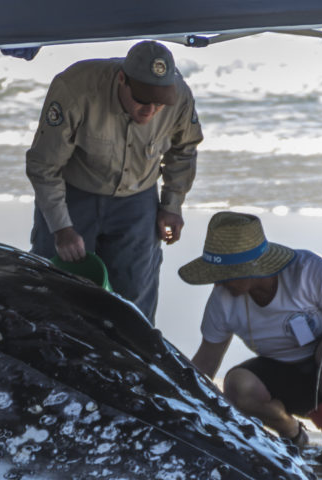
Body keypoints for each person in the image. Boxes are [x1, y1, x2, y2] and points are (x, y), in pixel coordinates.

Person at [26, 40, 204, 323]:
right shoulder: (74, 89)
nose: (150, 111)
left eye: (159, 104)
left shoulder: (179, 96)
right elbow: (43, 166)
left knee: (133, 299)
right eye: (143, 100)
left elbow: (184, 150)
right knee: (55, 289)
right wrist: (61, 227)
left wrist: (172, 205)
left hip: (138, 199)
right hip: (74, 195)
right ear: (122, 79)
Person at [180, 211, 322, 448]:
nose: (218, 283)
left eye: (224, 275)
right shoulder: (222, 299)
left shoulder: (309, 270)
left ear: (253, 266)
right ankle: (292, 433)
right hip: (292, 380)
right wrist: (171, 389)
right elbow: (205, 363)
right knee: (237, 384)